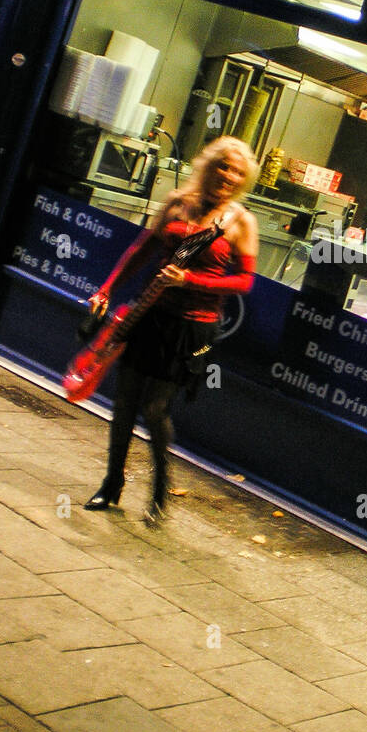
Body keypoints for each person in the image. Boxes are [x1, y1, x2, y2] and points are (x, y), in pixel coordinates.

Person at [83, 135, 259, 527]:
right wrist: (107, 289)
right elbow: (141, 250)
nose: (228, 176)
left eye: (237, 172)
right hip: (151, 313)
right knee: (125, 401)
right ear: (208, 165)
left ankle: (161, 488)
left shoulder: (241, 221)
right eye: (223, 166)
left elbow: (244, 281)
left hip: (191, 329)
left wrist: (191, 281)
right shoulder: (178, 203)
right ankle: (112, 483)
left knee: (155, 407)